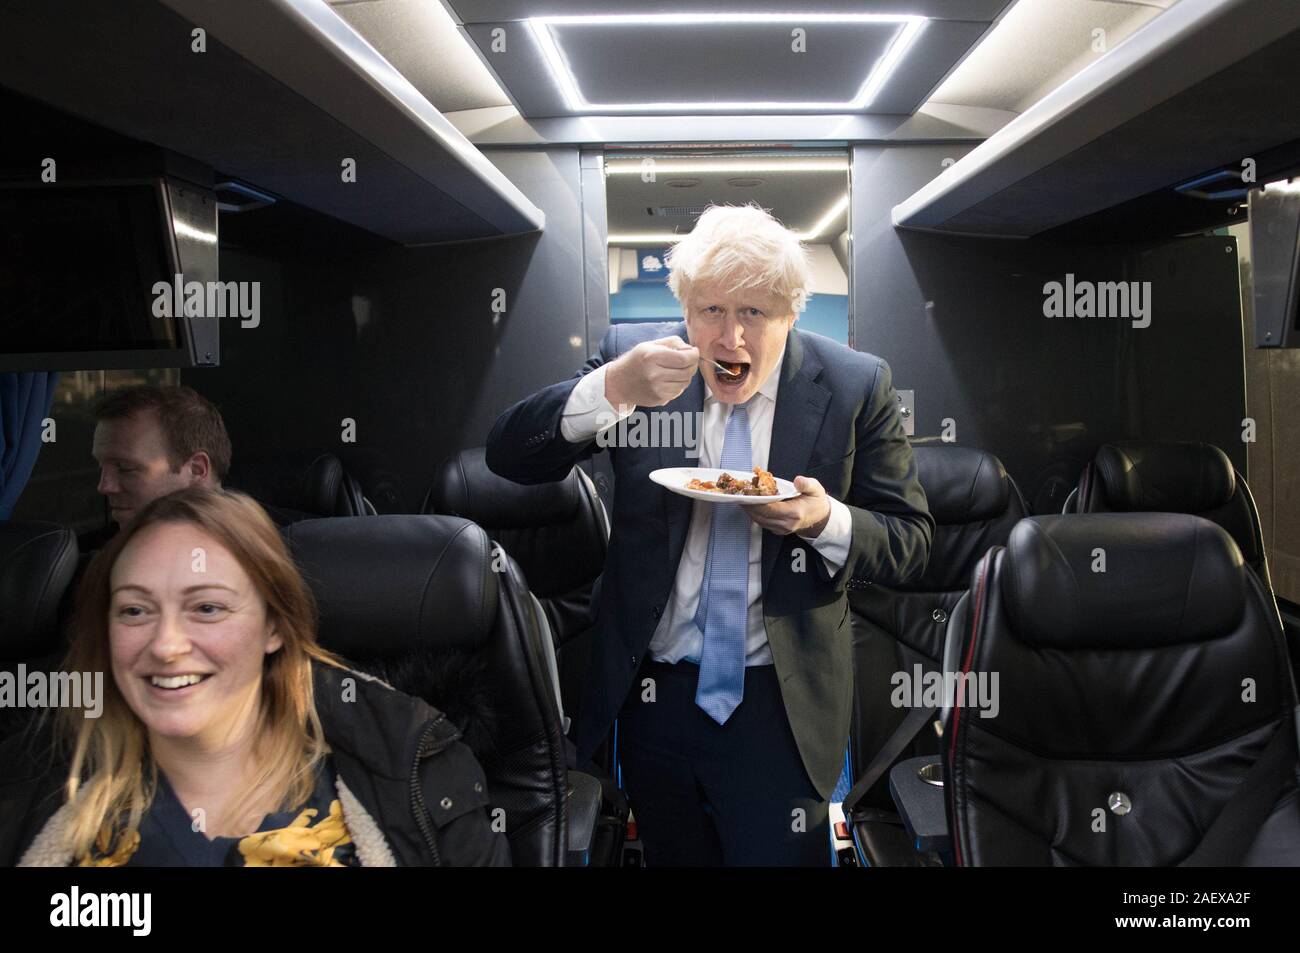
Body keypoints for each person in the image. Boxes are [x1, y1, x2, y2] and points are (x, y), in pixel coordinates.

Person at [486, 203, 933, 865]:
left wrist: (821, 520)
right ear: (684, 309)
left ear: (791, 311)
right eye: (710, 312)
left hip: (780, 699)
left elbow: (911, 542)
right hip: (653, 692)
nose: (730, 341)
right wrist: (613, 387)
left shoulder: (853, 385)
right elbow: (509, 455)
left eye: (754, 312)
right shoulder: (638, 361)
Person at [0, 487, 508, 867]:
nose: (166, 644)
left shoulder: (417, 768)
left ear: (274, 627)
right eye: (135, 610)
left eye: (207, 607)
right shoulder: (34, 778)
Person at [81, 384, 231, 550]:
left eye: (125, 468)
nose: (104, 486)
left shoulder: (248, 564)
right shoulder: (90, 555)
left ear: (196, 470)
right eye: (101, 466)